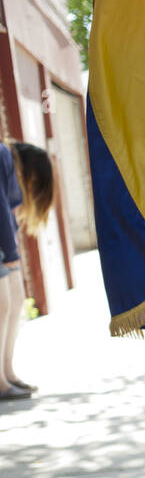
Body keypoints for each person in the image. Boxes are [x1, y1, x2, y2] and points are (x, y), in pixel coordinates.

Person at [0, 141, 53, 401]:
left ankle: (7, 372)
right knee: (3, 306)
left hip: (5, 246)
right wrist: (11, 253)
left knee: (13, 302)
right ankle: (2, 379)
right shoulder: (3, 155)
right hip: (3, 247)